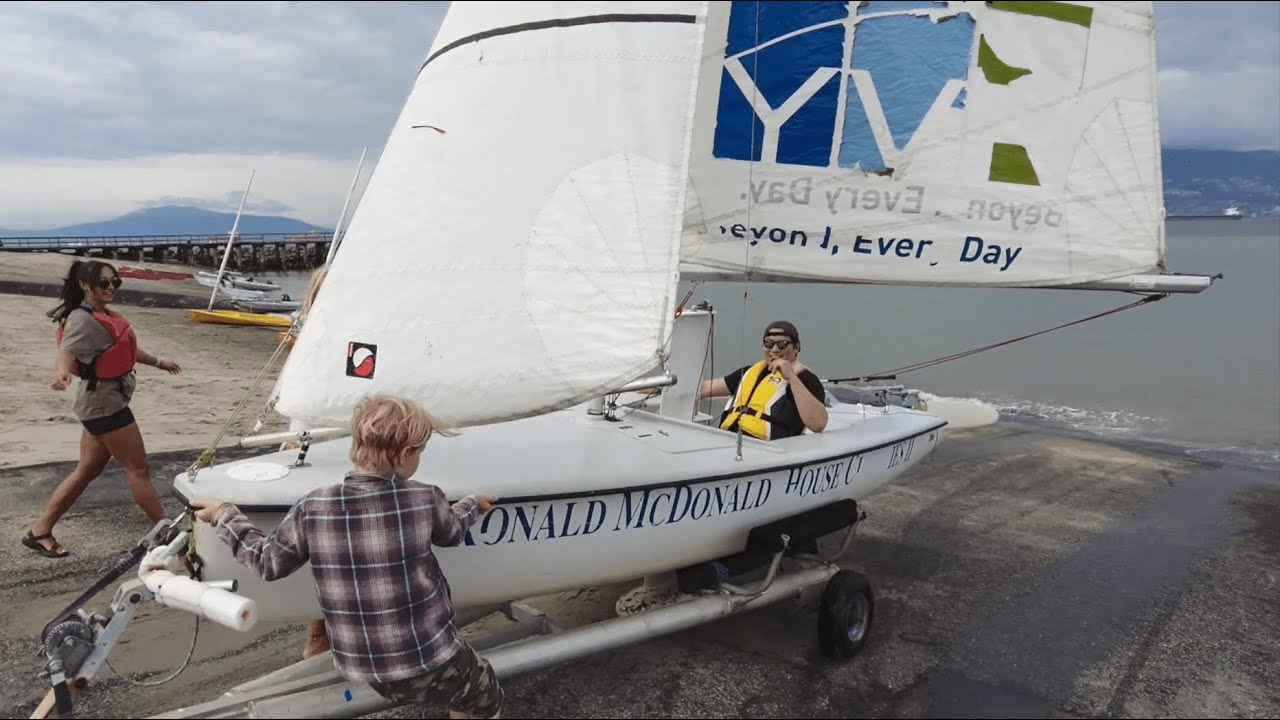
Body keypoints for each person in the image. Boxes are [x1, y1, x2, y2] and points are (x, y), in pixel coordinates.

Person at [189, 395, 504, 719]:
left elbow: (266, 563)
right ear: (406, 454)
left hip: (358, 664)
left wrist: (224, 514)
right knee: (486, 694)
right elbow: (451, 534)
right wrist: (471, 505)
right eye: (420, 452)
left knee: (455, 686)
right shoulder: (424, 498)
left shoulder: (314, 506)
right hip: (427, 659)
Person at [23, 260, 182, 558]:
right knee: (138, 468)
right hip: (104, 406)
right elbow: (66, 350)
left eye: (115, 283)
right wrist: (61, 373)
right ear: (85, 285)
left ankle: (40, 531)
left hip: (100, 402)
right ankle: (166, 532)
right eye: (103, 283)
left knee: (87, 470)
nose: (110, 288)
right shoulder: (81, 319)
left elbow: (125, 350)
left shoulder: (101, 314)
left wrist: (160, 363)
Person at [698, 320, 828, 440]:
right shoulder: (748, 372)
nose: (774, 350)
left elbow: (818, 424)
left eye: (782, 345)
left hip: (767, 449)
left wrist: (791, 376)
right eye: (769, 344)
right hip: (729, 440)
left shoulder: (805, 378)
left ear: (796, 348)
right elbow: (704, 389)